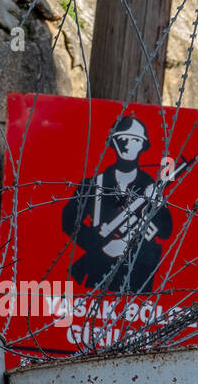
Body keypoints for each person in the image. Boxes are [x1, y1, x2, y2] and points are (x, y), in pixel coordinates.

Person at [60, 115, 175, 293]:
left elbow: (166, 231)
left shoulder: (150, 186)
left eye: (135, 140)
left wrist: (157, 204)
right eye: (123, 139)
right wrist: (101, 247)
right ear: (113, 142)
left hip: (138, 276)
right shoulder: (94, 183)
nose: (128, 145)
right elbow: (68, 220)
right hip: (97, 273)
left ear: (143, 146)